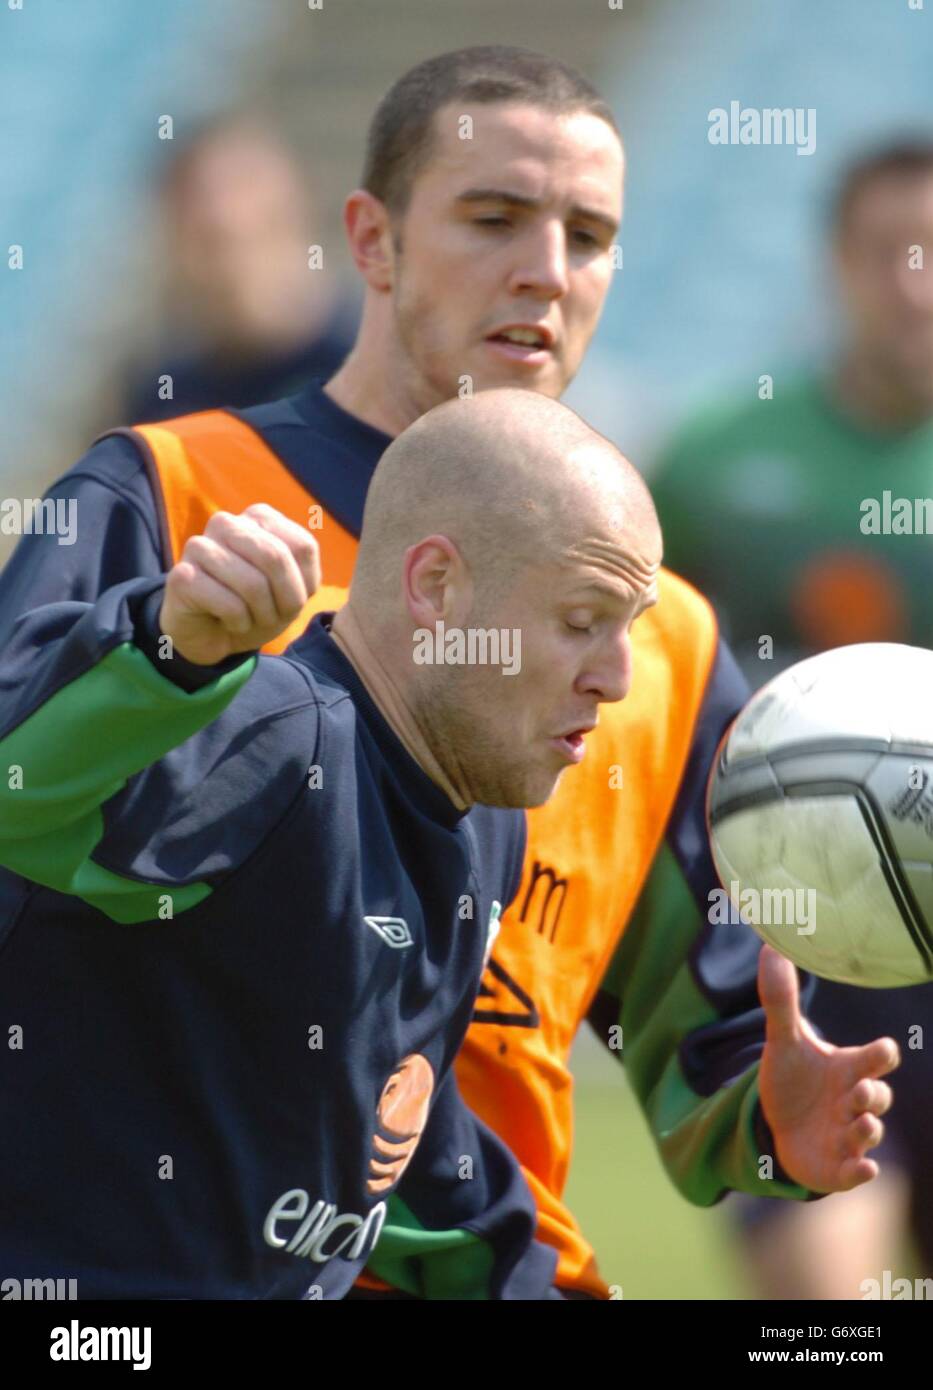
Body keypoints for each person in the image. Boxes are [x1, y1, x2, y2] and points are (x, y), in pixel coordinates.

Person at [0, 47, 899, 1300]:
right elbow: (21, 791)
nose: (545, 267)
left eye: (588, 235)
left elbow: (715, 1023)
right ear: (370, 240)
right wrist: (165, 644)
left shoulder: (663, 641)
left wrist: (772, 1120)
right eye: (493, 217)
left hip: (479, 1258)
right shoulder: (171, 493)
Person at [0, 389, 656, 1300]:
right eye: (584, 621)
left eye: (633, 626)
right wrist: (166, 649)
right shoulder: (274, 738)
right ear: (434, 586)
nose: (618, 677)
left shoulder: (480, 817)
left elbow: (404, 1160)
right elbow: (16, 804)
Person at [651, 141, 933, 1299]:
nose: (913, 281)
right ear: (834, 264)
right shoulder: (719, 457)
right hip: (791, 952)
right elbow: (636, 683)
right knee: (825, 1308)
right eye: (885, 253)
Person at [120, 113, 357, 423]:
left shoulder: (371, 364)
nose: (233, 270)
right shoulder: (167, 396)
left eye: (261, 232)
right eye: (208, 243)